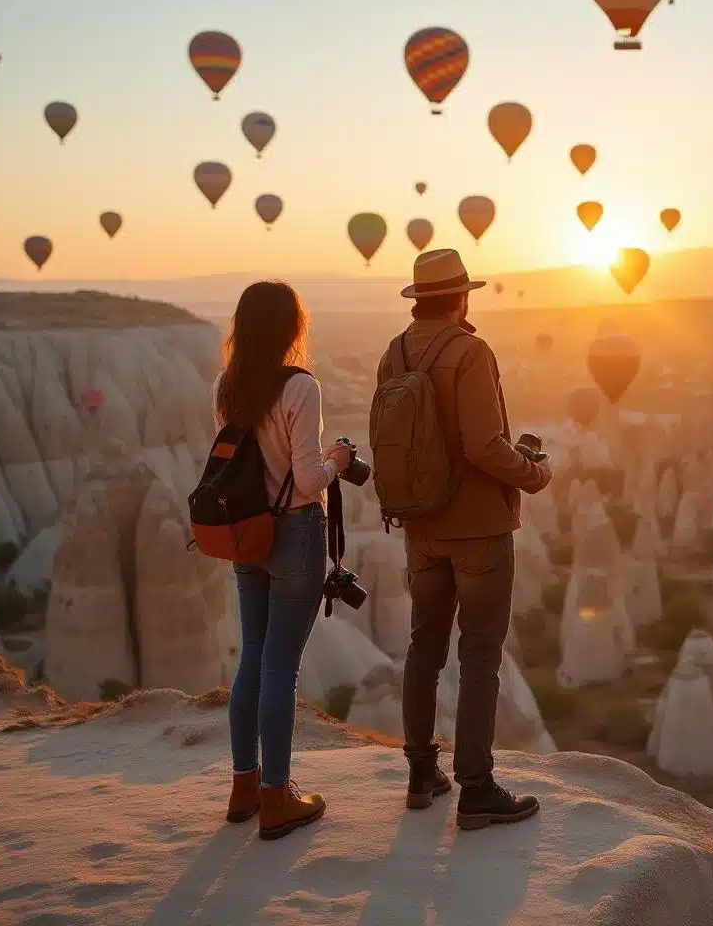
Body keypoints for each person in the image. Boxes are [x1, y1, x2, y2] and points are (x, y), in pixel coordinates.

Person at [376, 248, 552, 830]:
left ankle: (422, 773)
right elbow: (483, 445)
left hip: (420, 529)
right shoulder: (470, 351)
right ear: (461, 298)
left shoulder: (393, 354)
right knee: (479, 653)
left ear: (418, 299)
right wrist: (534, 472)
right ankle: (476, 787)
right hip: (478, 530)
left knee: (423, 647)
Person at [213, 280, 352, 841]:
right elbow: (304, 478)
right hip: (294, 532)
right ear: (292, 328)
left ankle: (243, 787)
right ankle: (278, 795)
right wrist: (337, 460)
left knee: (253, 659)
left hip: (246, 534)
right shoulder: (301, 387)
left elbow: (245, 466)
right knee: (280, 666)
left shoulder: (229, 387)